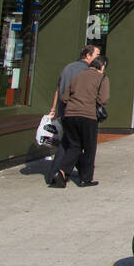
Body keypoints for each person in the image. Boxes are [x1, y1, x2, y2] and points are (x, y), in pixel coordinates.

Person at [49, 55, 109, 188]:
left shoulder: (79, 76)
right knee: (89, 148)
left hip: (70, 115)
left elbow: (64, 97)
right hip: (88, 116)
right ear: (103, 66)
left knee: (74, 146)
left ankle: (61, 172)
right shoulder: (102, 78)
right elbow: (103, 100)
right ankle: (86, 179)